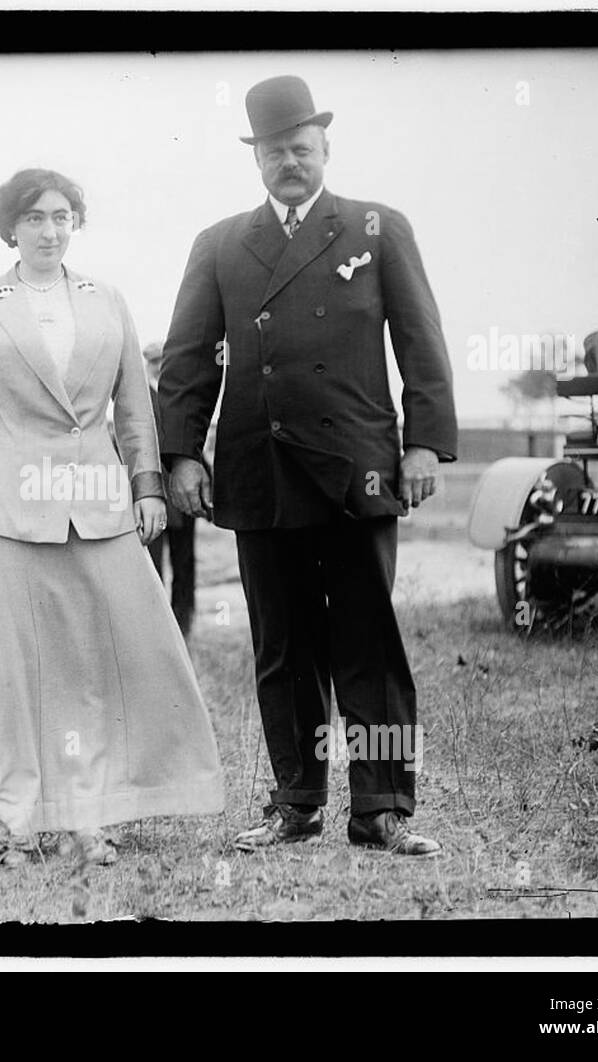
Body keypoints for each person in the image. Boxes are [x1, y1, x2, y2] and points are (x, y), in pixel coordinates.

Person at [157, 76, 458, 856]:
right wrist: (184, 453)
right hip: (260, 471)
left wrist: (423, 441)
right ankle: (295, 804)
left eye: (301, 148)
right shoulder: (220, 244)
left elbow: (421, 342)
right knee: (281, 648)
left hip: (356, 469)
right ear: (256, 160)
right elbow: (189, 360)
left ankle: (382, 810)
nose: (288, 162)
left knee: (368, 642)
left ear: (324, 148)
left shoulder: (377, 227)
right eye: (273, 152)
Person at [0, 169, 224, 867]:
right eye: (34, 218)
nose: (50, 230)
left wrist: (148, 487)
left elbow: (134, 408)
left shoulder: (106, 300)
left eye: (62, 216)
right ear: (10, 227)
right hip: (8, 512)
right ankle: (14, 823)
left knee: (96, 667)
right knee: (17, 673)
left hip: (101, 506)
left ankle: (88, 818)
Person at [142, 343, 196, 640]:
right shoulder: (140, 399)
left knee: (184, 562)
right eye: (154, 361)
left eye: (163, 361)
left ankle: (183, 623)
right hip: (154, 495)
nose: (158, 366)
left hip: (181, 494)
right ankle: (158, 628)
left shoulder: (177, 396)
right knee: (153, 564)